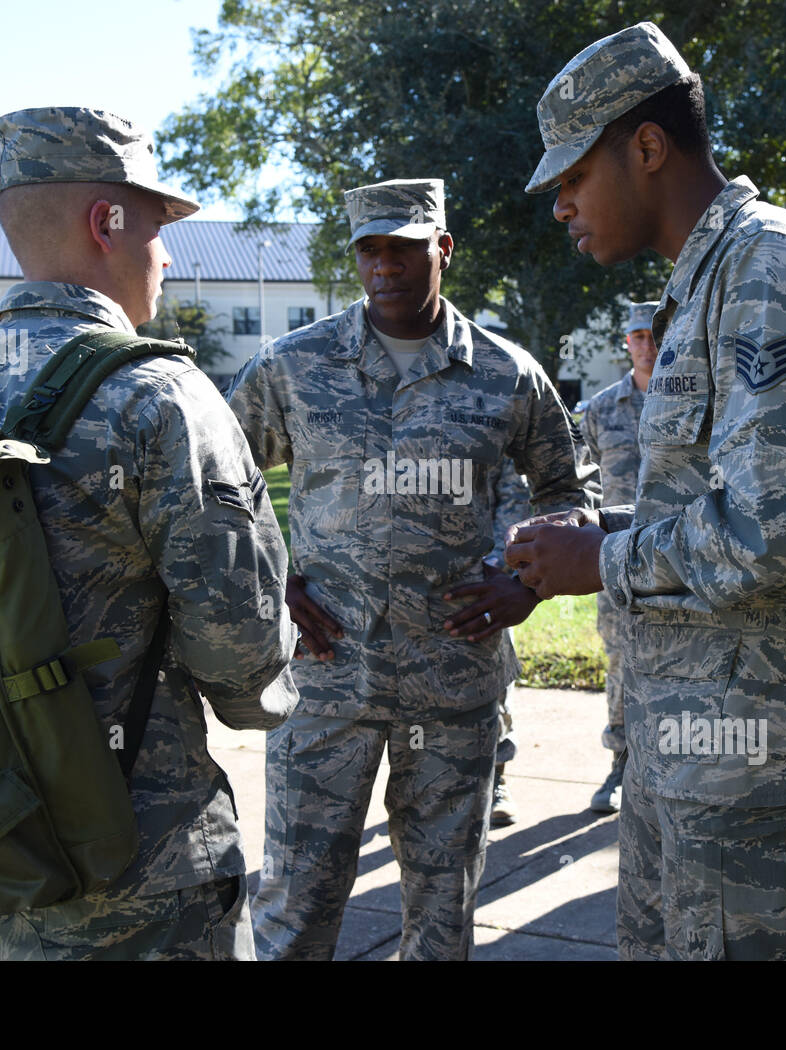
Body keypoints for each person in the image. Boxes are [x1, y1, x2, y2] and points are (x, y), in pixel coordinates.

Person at [507, 23, 786, 961]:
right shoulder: (705, 282)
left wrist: (603, 559)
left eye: (574, 178)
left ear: (647, 147)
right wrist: (598, 532)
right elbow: (729, 495)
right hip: (694, 743)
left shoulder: (770, 266)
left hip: (754, 759)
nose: (561, 206)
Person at [0, 106, 298, 960]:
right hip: (137, 876)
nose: (166, 255)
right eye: (159, 228)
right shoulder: (159, 394)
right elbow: (241, 658)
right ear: (106, 223)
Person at [227, 178, 600, 960]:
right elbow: (224, 484)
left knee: (441, 916)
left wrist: (524, 582)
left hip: (454, 680)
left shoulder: (505, 373)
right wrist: (278, 578)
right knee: (295, 909)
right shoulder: (295, 366)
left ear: (444, 250)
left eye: (404, 247)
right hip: (327, 683)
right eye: (370, 248)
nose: (385, 265)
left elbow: (568, 490)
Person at [582, 300, 658, 814]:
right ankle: (620, 764)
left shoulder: (702, 401)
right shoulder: (601, 409)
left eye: (656, 335)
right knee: (620, 665)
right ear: (625, 343)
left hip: (683, 557)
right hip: (618, 563)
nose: (647, 346)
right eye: (638, 337)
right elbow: (577, 483)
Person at [486, 459, 533, 827]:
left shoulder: (490, 401)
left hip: (477, 585)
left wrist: (494, 572)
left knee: (495, 687)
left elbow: (514, 492)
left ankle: (497, 776)